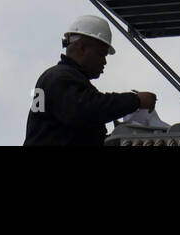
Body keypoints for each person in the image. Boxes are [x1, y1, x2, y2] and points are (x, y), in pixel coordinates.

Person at [23, 15, 157, 146]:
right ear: (82, 48)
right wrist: (136, 100)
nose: (104, 61)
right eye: (101, 54)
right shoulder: (60, 78)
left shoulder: (55, 78)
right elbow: (88, 110)